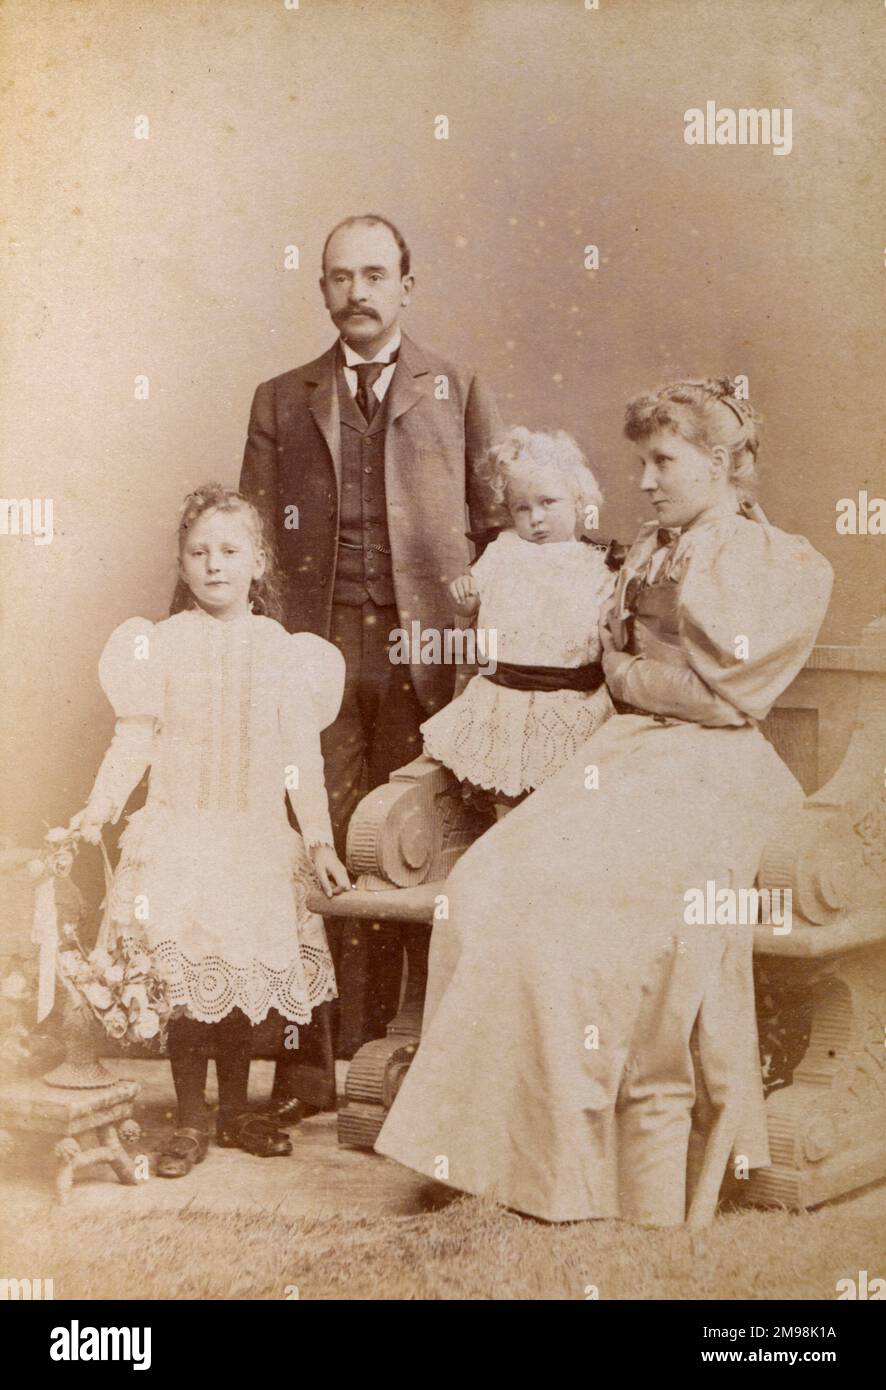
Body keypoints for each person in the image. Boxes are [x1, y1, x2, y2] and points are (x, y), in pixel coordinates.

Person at [375, 378, 833, 1227]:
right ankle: (490, 1159)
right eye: (641, 463)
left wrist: (639, 673)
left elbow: (728, 699)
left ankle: (595, 1173)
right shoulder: (651, 552)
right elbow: (630, 677)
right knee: (485, 886)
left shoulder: (773, 559)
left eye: (665, 461)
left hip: (717, 774)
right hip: (625, 755)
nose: (648, 481)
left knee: (586, 919)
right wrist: (643, 678)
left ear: (723, 463)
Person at [240, 214, 503, 1108]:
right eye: (339, 277)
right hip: (313, 654)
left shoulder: (457, 387)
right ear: (322, 290)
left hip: (427, 655)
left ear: (406, 286)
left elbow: (497, 528)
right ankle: (312, 1066)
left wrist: (490, 653)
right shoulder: (281, 398)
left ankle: (411, 1058)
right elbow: (248, 536)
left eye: (375, 274)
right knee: (314, 841)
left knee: (412, 844)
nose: (357, 291)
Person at [73, 484, 350, 1178]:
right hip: (178, 841)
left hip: (253, 840)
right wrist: (98, 809)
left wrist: (317, 840)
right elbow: (132, 741)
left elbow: (300, 760)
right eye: (198, 552)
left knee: (234, 984)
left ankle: (235, 1112)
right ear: (182, 562)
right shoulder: (159, 646)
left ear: (260, 562)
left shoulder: (284, 651)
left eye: (230, 551)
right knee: (183, 984)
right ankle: (191, 1119)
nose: (214, 565)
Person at [421, 426, 617, 813]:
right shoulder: (503, 550)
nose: (535, 519)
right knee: (505, 788)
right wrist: (466, 595)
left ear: (579, 501)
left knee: (563, 793)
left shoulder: (598, 563)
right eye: (522, 509)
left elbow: (608, 632)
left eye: (548, 503)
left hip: (568, 697)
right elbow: (472, 606)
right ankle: (503, 853)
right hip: (503, 694)